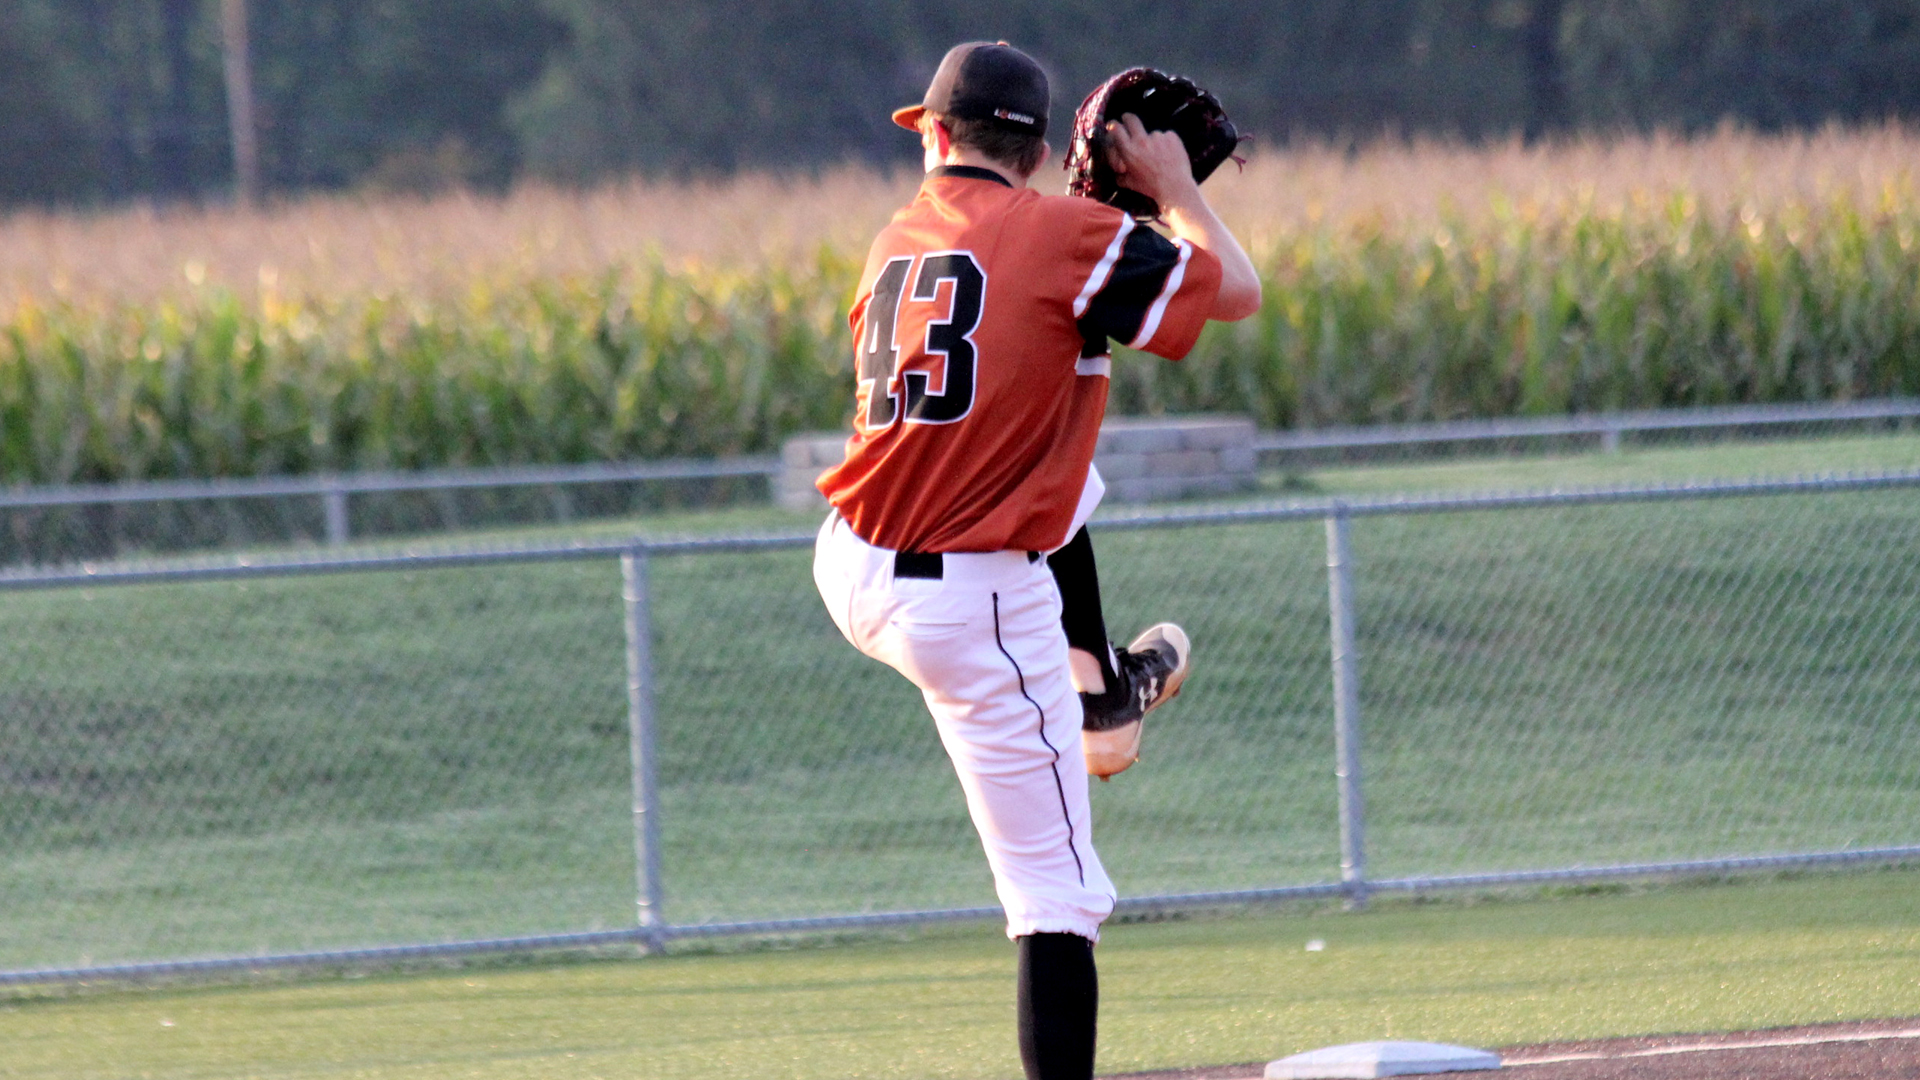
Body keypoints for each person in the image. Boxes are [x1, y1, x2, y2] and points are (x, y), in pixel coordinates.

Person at [810, 40, 1261, 1080]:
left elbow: (1028, 325)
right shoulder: (1068, 233)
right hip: (969, 604)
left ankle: (1098, 681)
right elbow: (1234, 289)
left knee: (1061, 433)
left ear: (932, 135)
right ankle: (1096, 693)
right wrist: (1174, 189)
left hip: (854, 558)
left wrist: (1099, 242)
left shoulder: (896, 238)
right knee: (1056, 899)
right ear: (1045, 146)